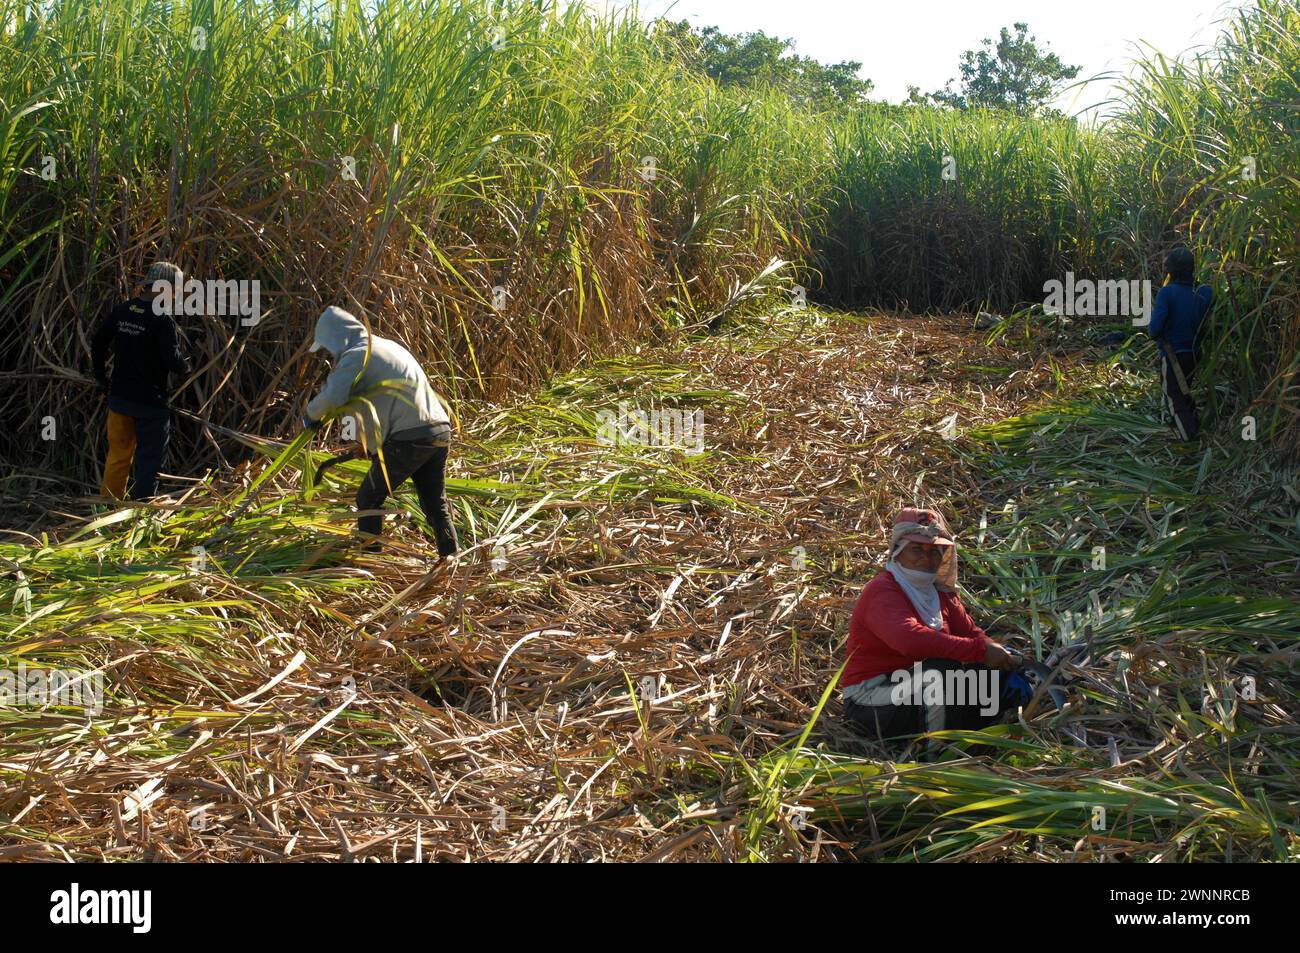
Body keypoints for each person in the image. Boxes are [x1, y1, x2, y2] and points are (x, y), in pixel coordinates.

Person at [841, 508, 1027, 749]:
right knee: (940, 674)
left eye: (934, 552)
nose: (926, 558)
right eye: (917, 549)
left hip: (915, 690)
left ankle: (982, 738)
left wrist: (995, 651)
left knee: (992, 671)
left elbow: (971, 633)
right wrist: (980, 651)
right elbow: (909, 640)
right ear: (898, 551)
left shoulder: (940, 594)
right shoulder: (882, 591)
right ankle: (939, 755)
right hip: (872, 697)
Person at [303, 306, 459, 557]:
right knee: (435, 505)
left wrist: (310, 417)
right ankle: (451, 561)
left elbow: (334, 396)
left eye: (327, 346)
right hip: (438, 431)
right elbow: (384, 403)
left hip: (410, 438)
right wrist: (372, 446)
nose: (329, 353)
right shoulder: (390, 347)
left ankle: (370, 562)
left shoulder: (357, 355)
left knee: (368, 499)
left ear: (336, 338)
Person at [91, 261, 190, 499]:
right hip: (150, 404)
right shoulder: (162, 319)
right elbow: (171, 360)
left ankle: (108, 508)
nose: (175, 294)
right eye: (174, 289)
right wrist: (185, 366)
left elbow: (98, 342)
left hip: (120, 400)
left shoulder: (123, 310)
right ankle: (141, 513)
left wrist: (102, 379)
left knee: (118, 456)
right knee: (149, 460)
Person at [1148, 246, 1212, 441]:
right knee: (1184, 391)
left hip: (1173, 354)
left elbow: (1154, 329)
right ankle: (1193, 423)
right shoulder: (1203, 292)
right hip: (1194, 354)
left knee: (1173, 397)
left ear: (1170, 271)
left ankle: (1188, 437)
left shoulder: (1167, 293)